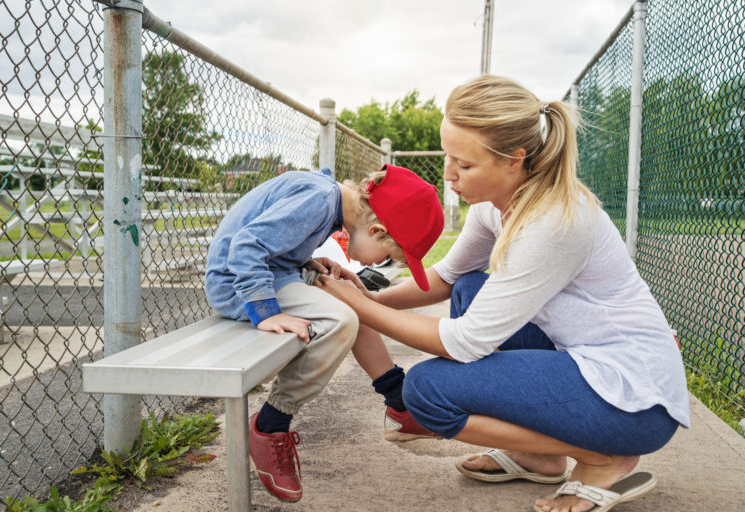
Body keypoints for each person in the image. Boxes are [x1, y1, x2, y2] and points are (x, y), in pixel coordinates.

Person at [316, 75, 690, 512]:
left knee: (427, 391)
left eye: (464, 165)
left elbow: (465, 342)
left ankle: (602, 457)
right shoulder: (494, 204)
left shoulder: (551, 222)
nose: (449, 175)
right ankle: (540, 457)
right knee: (471, 287)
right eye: (448, 156)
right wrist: (370, 298)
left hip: (634, 401)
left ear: (514, 160)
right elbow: (448, 277)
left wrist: (359, 309)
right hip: (586, 364)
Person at [205, 164, 443, 502]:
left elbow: (273, 241)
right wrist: (266, 312)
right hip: (240, 287)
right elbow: (246, 246)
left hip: (271, 274)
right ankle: (270, 425)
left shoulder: (325, 197)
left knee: (353, 298)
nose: (377, 265)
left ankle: (399, 405)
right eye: (389, 257)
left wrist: (305, 261)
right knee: (340, 319)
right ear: (376, 230)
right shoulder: (317, 199)